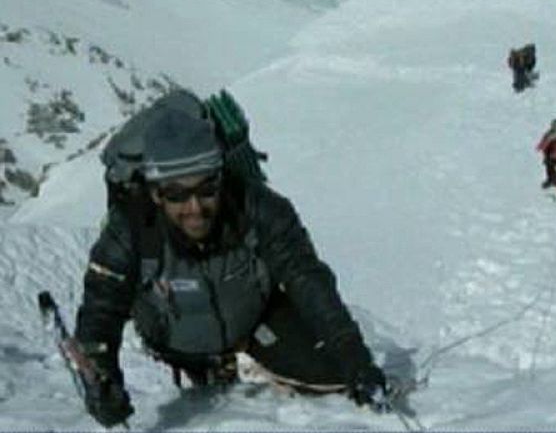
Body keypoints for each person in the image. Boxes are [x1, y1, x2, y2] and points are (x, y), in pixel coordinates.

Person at [74, 92, 388, 427]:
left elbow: (306, 278)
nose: (195, 208)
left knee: (335, 374)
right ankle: (207, 365)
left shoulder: (259, 208)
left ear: (221, 179)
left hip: (254, 321)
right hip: (177, 342)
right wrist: (103, 380)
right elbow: (101, 311)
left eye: (206, 189)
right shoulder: (130, 230)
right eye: (177, 194)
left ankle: (246, 357)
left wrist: (354, 355)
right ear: (155, 193)